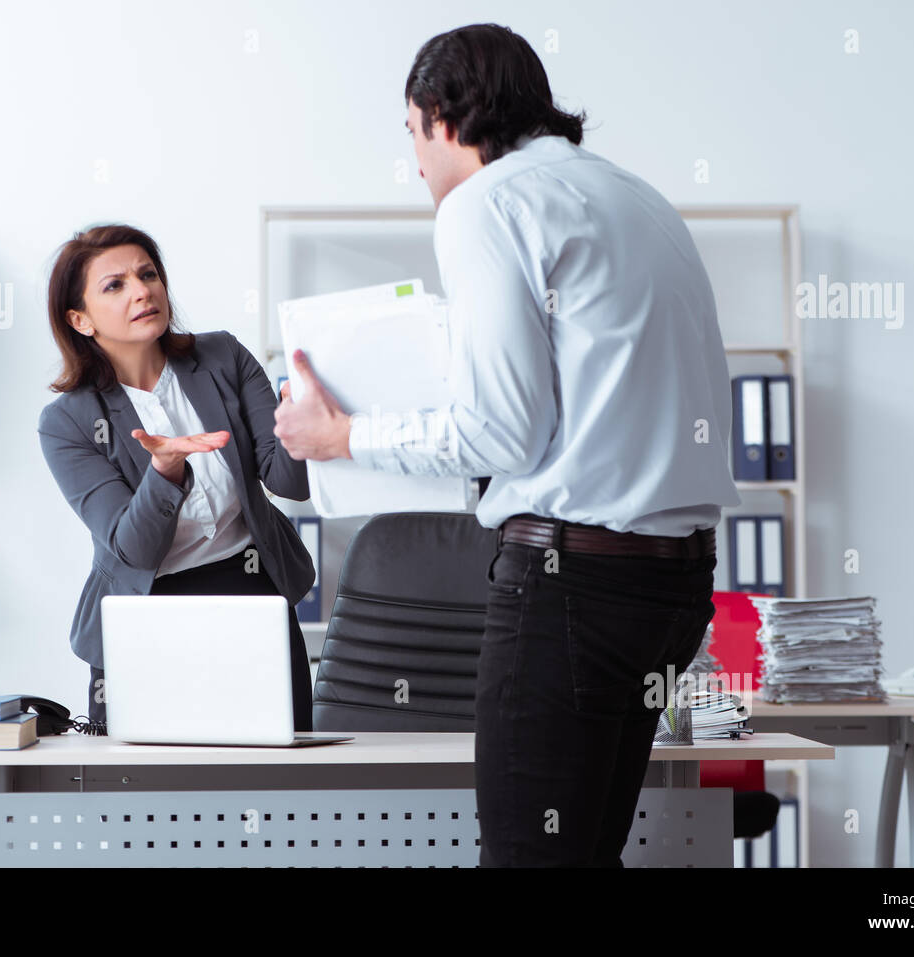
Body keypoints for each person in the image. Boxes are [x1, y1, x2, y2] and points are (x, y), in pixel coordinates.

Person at [272, 24, 741, 865]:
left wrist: (341, 436)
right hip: (672, 589)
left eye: (411, 134)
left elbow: (501, 430)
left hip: (574, 588)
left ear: (443, 116)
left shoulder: (485, 204)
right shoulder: (637, 196)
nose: (415, 162)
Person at [37, 223, 316, 731]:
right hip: (145, 613)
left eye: (148, 274)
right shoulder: (67, 422)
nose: (142, 290)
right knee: (148, 798)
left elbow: (289, 482)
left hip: (252, 591)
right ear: (80, 320)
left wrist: (297, 425)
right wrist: (165, 470)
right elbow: (132, 549)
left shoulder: (222, 357)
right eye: (114, 285)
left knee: (280, 783)